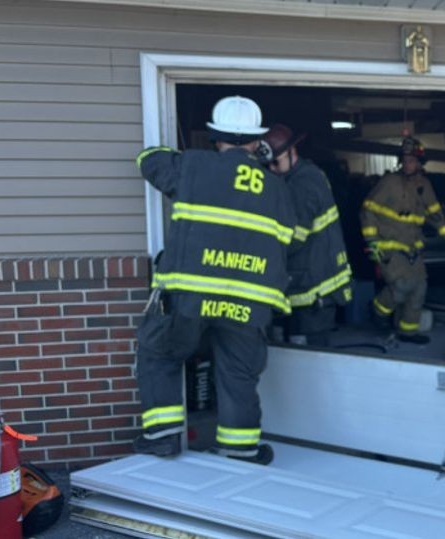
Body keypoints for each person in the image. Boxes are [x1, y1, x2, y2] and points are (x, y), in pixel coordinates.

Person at [132, 96, 296, 465]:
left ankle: (162, 437)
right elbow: (289, 239)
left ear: (215, 137)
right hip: (249, 300)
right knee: (238, 372)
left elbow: (149, 160)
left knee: (159, 354)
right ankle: (241, 450)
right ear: (256, 142)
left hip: (191, 295)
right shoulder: (277, 188)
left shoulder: (192, 166)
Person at [360, 136, 445, 344]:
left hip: (413, 246)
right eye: (405, 160)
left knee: (419, 289)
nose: (408, 164)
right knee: (402, 286)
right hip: (389, 245)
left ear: (420, 163)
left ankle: (408, 332)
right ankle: (377, 312)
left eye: (412, 160)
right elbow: (367, 210)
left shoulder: (424, 185)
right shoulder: (389, 183)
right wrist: (371, 240)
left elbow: (435, 213)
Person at [263, 124, 352, 346]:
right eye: (267, 164)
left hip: (314, 291)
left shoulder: (302, 184)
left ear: (293, 151)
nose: (272, 169)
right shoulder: (296, 177)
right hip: (306, 282)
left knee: (307, 355)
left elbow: (293, 239)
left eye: (276, 162)